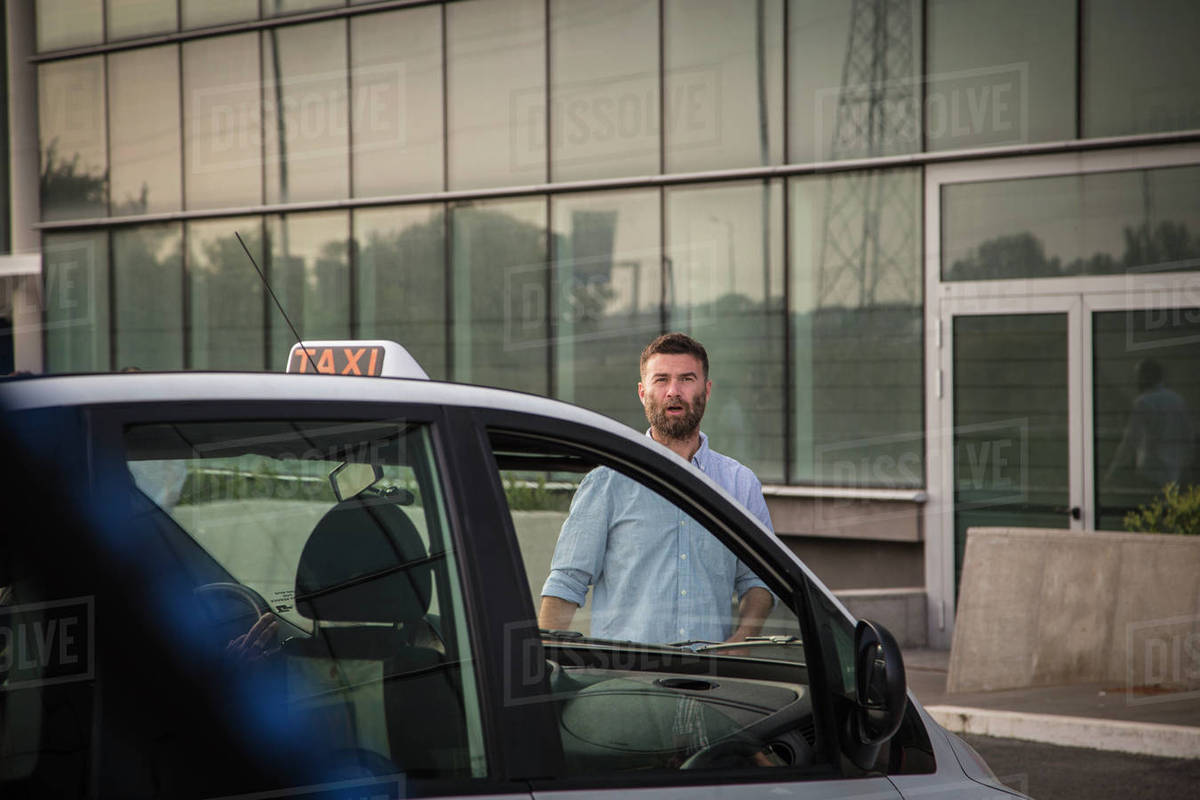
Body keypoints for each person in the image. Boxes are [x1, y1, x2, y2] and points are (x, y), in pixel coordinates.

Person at [537, 333, 775, 644]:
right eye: (661, 380)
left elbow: (758, 580)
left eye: (687, 379)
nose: (673, 391)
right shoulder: (606, 482)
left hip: (714, 683)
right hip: (628, 681)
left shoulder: (740, 484)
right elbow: (566, 584)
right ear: (642, 392)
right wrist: (547, 670)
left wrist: (743, 639)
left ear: (707, 389)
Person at [1104, 358, 1195, 490]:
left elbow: (1129, 442)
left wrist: (1110, 474)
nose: (1135, 381)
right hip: (1175, 474)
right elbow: (1189, 435)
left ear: (1146, 377)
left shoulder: (1143, 403)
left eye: (1138, 376)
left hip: (1151, 476)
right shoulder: (1177, 400)